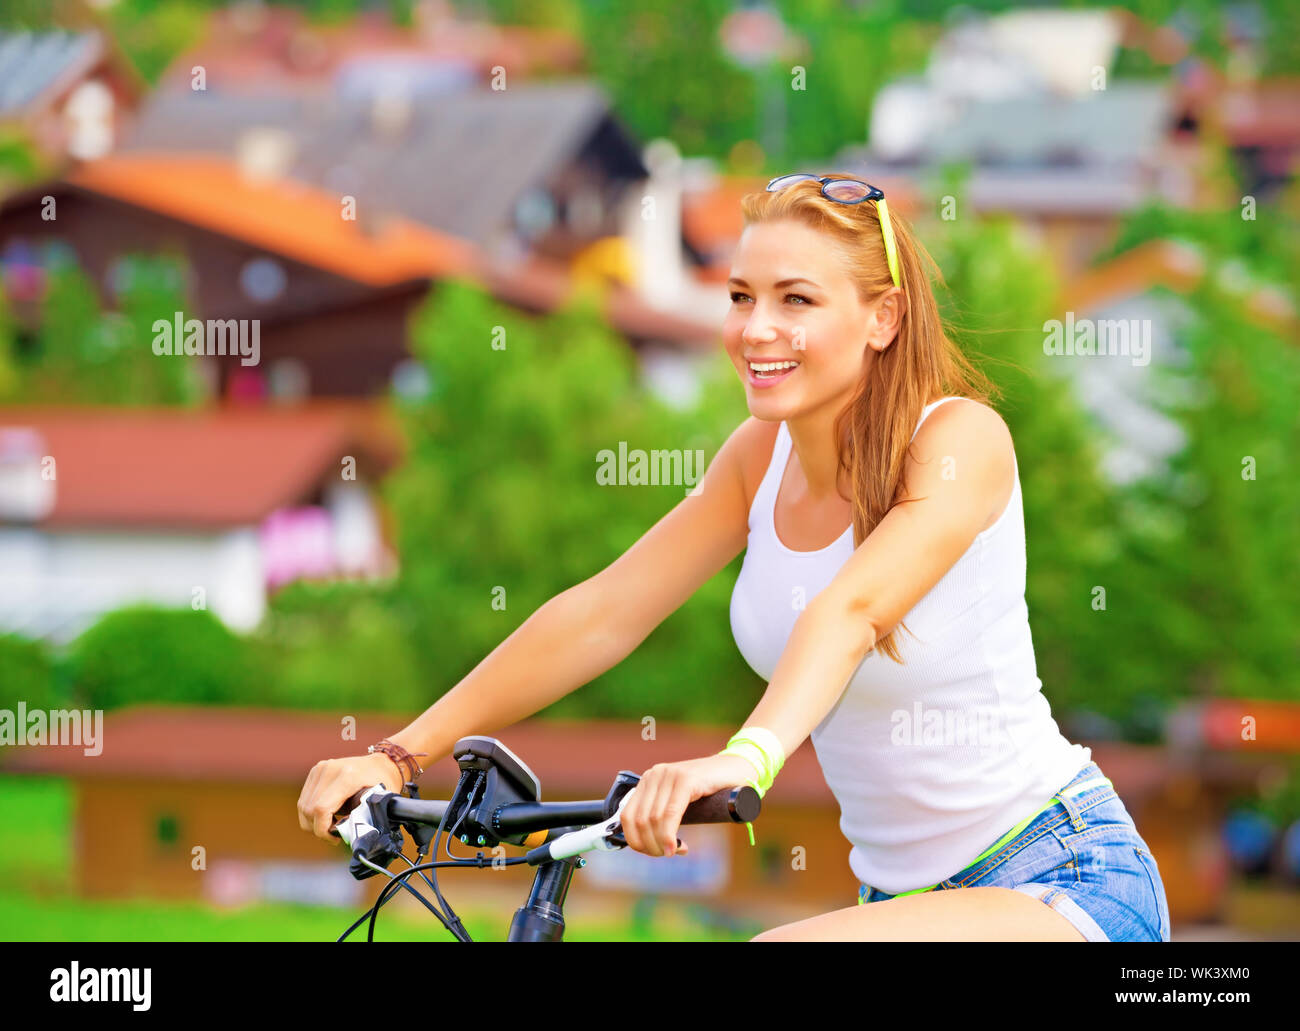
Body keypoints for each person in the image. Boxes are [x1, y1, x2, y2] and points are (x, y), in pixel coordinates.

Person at [297, 171, 1172, 942]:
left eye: (797, 300)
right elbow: (607, 611)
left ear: (883, 318)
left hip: (1060, 876)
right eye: (740, 296)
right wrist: (400, 755)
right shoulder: (759, 458)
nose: (757, 328)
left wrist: (744, 758)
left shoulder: (959, 441)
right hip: (897, 900)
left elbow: (852, 609)